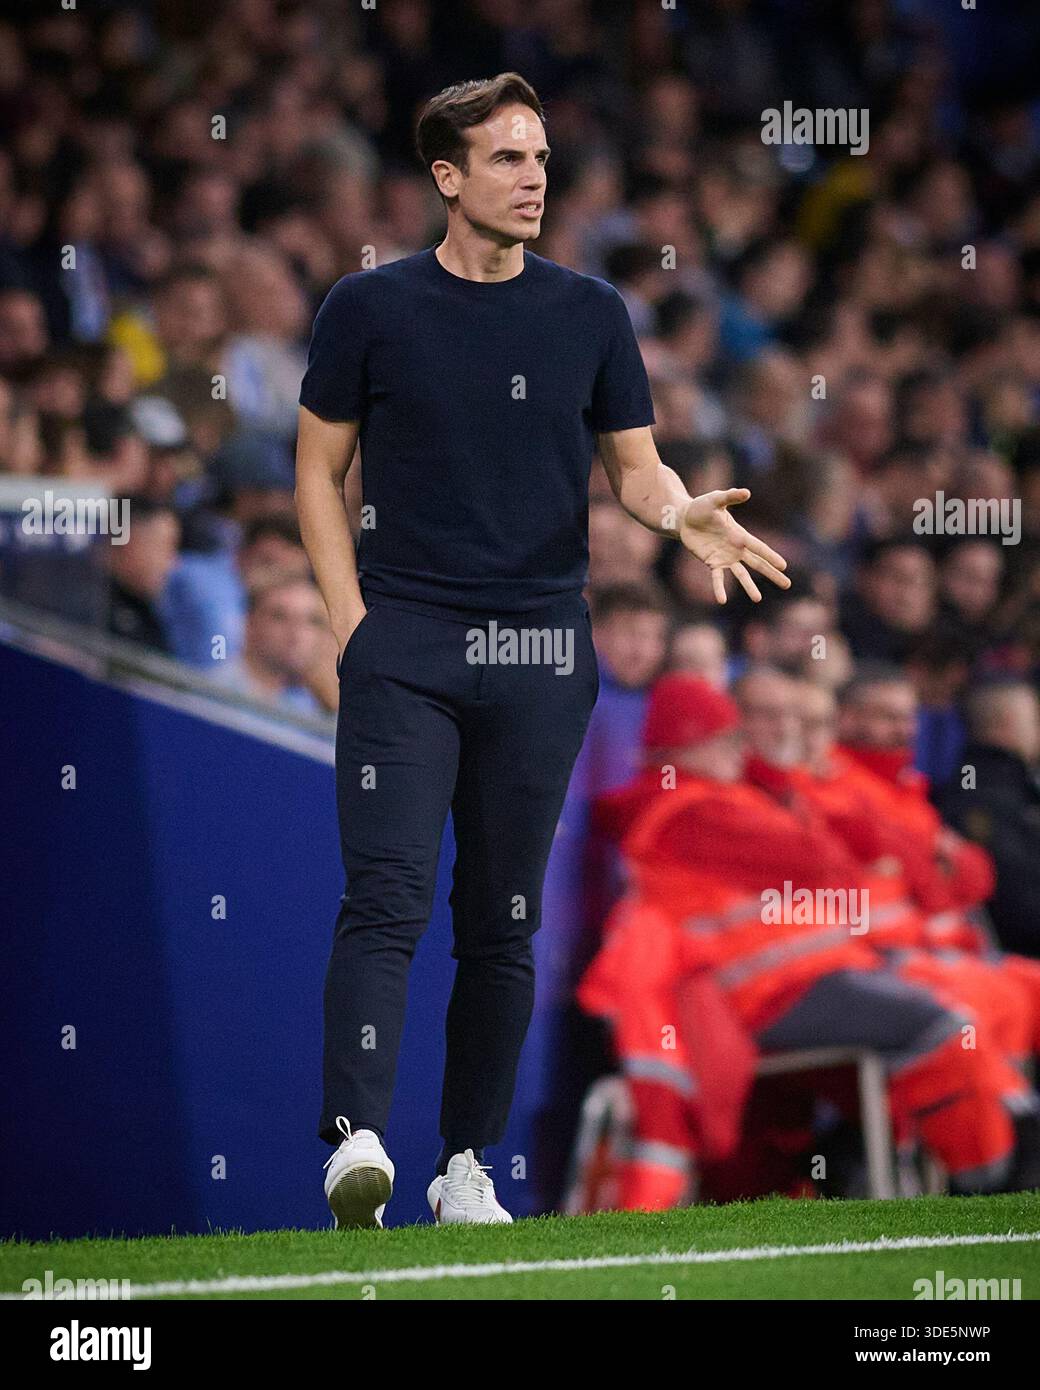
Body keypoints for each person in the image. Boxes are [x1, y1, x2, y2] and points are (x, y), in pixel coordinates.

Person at [294, 73, 790, 1229]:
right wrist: (351, 625)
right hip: (404, 639)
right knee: (387, 895)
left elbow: (632, 467)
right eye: (507, 159)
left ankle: (464, 1164)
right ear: (446, 177)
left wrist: (673, 514)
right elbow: (316, 474)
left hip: (540, 649)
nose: (532, 179)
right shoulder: (367, 307)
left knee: (502, 918)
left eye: (540, 158)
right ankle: (354, 1136)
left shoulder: (588, 313)